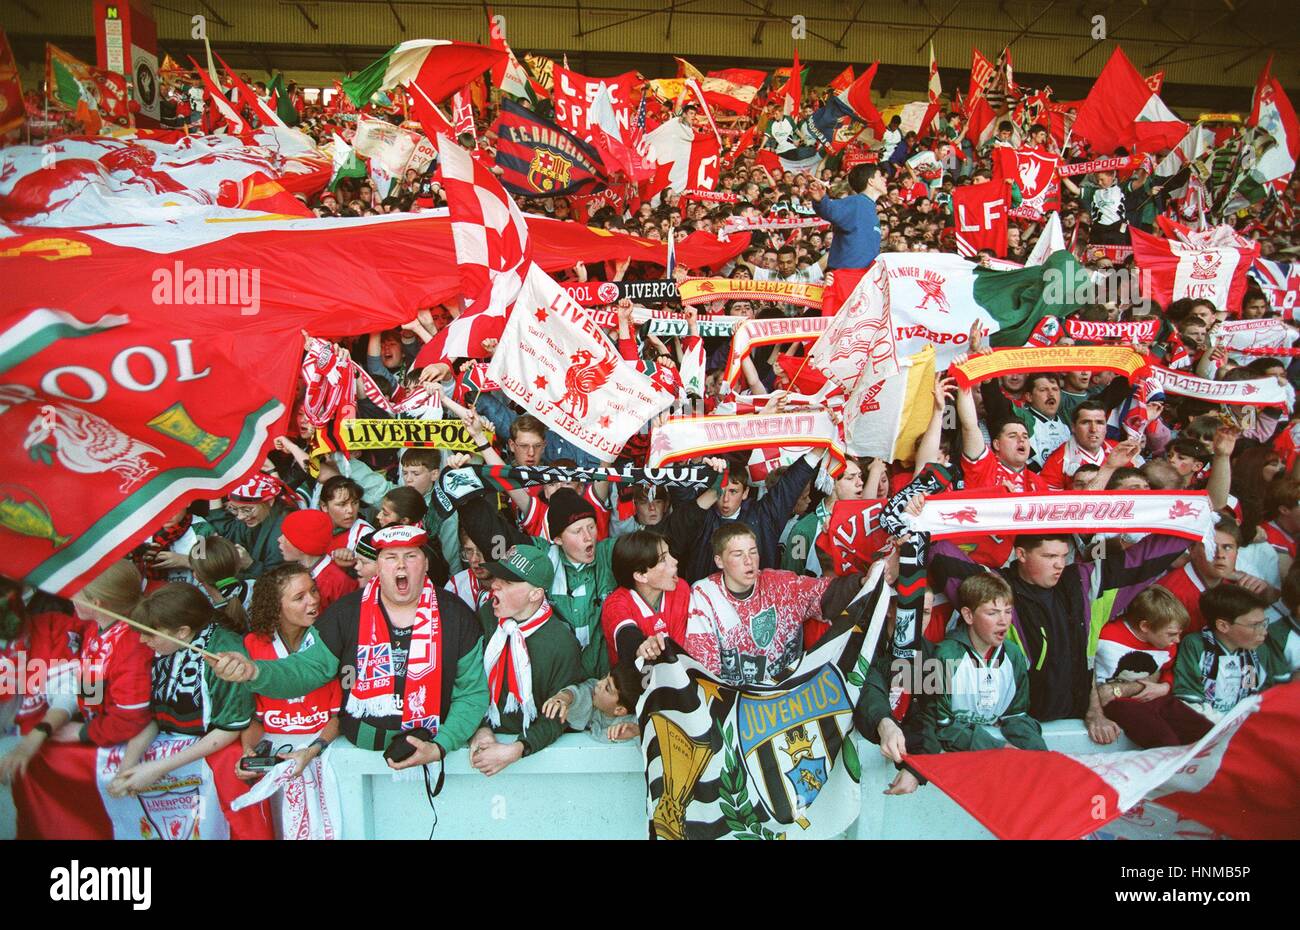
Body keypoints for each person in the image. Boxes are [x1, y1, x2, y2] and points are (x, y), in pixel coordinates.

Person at [209, 525, 488, 767]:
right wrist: (254, 672)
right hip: (358, 753)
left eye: (411, 556)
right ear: (378, 566)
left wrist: (441, 745)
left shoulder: (457, 615)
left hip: (435, 750)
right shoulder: (345, 614)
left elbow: (471, 693)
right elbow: (308, 669)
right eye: (391, 557)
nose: (401, 565)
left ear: (426, 564)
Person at [925, 516, 1192, 741]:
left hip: (1077, 719)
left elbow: (1144, 558)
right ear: (1021, 555)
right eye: (1049, 556)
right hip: (1016, 724)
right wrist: (932, 516)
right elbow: (939, 549)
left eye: (1064, 555)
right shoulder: (995, 588)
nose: (1059, 564)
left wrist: (1191, 521)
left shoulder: (1085, 582)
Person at [109, 582, 272, 840]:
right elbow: (155, 717)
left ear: (183, 631)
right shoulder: (163, 647)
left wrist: (157, 768)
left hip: (215, 751)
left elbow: (230, 727)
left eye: (150, 633)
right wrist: (128, 766)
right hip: (177, 749)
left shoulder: (224, 654)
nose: (142, 640)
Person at [0, 562, 153, 802]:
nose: (69, 597)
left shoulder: (132, 646)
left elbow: (132, 720)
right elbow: (91, 694)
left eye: (75, 592)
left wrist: (84, 732)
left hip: (117, 740)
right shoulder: (94, 630)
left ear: (96, 604)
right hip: (100, 728)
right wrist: (86, 718)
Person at [238, 563, 343, 839]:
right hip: (276, 755)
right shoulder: (254, 645)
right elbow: (256, 717)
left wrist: (314, 749)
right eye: (299, 597)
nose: (313, 600)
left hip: (323, 749)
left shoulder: (331, 638)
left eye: (313, 590)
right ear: (275, 607)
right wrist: (248, 750)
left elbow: (339, 717)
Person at [469, 543, 584, 774]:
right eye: (498, 576)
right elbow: (465, 683)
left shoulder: (561, 643)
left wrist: (518, 749)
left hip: (530, 755)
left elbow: (557, 716)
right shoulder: (485, 618)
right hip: (482, 743)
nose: (495, 584)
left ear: (536, 594)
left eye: (508, 582)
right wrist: (480, 729)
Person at [684, 523, 833, 686]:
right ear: (719, 561)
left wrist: (862, 582)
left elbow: (830, 592)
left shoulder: (782, 585)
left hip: (787, 695)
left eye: (753, 552)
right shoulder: (704, 595)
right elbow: (704, 672)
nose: (749, 561)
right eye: (738, 554)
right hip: (735, 702)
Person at [925, 574, 1046, 752]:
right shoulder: (945, 656)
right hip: (956, 756)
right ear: (968, 615)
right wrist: (997, 749)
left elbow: (1016, 715)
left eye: (1008, 611)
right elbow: (941, 724)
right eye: (993, 613)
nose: (1003, 621)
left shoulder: (1013, 655)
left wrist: (1040, 754)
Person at [1093, 586, 1212, 748]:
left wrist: (1165, 686)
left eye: (1179, 634)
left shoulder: (1167, 643)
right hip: (1117, 702)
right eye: (1171, 634)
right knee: (1165, 742)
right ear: (1145, 627)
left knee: (1207, 733)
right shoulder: (1106, 637)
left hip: (1155, 697)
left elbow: (1169, 669)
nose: (1177, 640)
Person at [1174, 586, 1282, 723]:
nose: (1264, 632)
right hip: (1204, 725)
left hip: (1246, 724)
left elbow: (1266, 694)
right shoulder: (1196, 645)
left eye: (1264, 623)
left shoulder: (1259, 650)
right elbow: (1188, 696)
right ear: (1223, 626)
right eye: (1255, 625)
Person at [601, 530, 691, 666]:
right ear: (641, 575)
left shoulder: (681, 589)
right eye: (663, 559)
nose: (675, 561)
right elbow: (626, 636)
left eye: (670, 554)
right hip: (635, 684)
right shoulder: (616, 603)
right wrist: (641, 646)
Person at [207, 473, 299, 578]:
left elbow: (278, 580)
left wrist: (250, 565)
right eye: (234, 509)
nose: (240, 517)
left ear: (270, 501)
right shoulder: (259, 515)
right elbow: (230, 531)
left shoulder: (283, 533)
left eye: (246, 510)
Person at [277, 509, 358, 612]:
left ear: (302, 545)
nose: (279, 539)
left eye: (286, 537)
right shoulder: (296, 568)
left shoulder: (335, 583)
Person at [540, 663, 643, 743]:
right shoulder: (593, 692)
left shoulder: (632, 724)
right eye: (604, 678)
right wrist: (563, 698)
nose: (599, 683)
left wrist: (637, 732)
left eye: (607, 688)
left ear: (619, 710)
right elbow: (579, 693)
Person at [809, 164, 885, 270]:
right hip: (848, 275)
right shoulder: (856, 202)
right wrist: (821, 200)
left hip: (864, 277)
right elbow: (830, 209)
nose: (884, 179)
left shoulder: (870, 207)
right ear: (871, 181)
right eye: (880, 176)